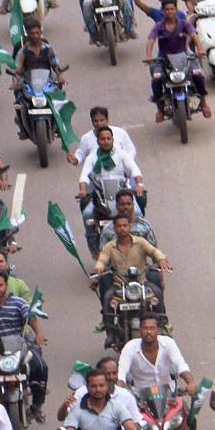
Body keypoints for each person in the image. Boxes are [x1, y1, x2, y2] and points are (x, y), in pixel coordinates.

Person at [0, 273, 48, 419]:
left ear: (6, 285)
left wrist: (38, 334)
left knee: (41, 367)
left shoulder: (19, 303)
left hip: (18, 347)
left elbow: (31, 318)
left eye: (0, 285)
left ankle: (37, 405)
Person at [79, 126, 145, 255]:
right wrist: (82, 190)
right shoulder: (92, 158)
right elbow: (84, 176)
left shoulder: (122, 154)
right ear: (98, 141)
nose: (106, 141)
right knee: (87, 215)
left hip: (123, 194)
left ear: (112, 140)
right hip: (100, 195)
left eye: (108, 139)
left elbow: (134, 170)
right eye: (102, 139)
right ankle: (95, 248)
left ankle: (141, 245)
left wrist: (139, 184)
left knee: (137, 212)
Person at [145, 0, 211, 120]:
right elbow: (151, 40)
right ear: (163, 11)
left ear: (176, 10)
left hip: (183, 59)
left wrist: (200, 49)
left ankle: (204, 102)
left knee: (198, 75)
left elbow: (193, 35)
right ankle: (160, 109)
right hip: (164, 61)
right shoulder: (159, 26)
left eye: (172, 9)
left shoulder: (184, 24)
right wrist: (148, 55)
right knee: (156, 79)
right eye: (167, 9)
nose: (169, 11)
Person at [92, 213, 169, 315]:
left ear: (130, 227)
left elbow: (154, 251)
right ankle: (107, 321)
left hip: (141, 282)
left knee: (157, 293)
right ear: (114, 229)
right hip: (119, 283)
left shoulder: (140, 242)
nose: (122, 228)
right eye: (119, 226)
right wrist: (99, 267)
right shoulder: (109, 246)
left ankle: (161, 319)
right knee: (107, 298)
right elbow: (102, 259)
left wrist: (161, 260)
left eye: (124, 225)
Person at [118, 314, 197, 395]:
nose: (149, 332)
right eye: (145, 328)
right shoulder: (130, 347)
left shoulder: (168, 343)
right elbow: (121, 373)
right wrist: (117, 392)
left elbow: (180, 365)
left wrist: (191, 383)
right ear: (139, 330)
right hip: (140, 396)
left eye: (152, 328)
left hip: (169, 394)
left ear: (159, 330)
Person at [68, 104, 137, 168]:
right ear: (92, 121)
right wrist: (75, 159)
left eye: (101, 120)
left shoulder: (120, 133)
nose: (99, 123)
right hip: (97, 174)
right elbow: (80, 155)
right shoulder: (86, 138)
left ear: (107, 120)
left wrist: (126, 163)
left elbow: (131, 150)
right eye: (96, 121)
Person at [12, 19, 64, 87]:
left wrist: (60, 76)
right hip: (29, 85)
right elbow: (17, 69)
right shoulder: (23, 51)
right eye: (32, 33)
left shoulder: (48, 49)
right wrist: (15, 81)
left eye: (37, 33)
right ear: (28, 34)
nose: (35, 36)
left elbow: (55, 65)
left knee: (59, 91)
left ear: (41, 33)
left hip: (47, 83)